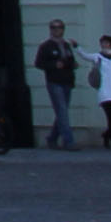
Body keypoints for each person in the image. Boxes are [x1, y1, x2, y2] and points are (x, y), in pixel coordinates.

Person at [34, 19, 80, 149]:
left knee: (61, 111)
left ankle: (52, 138)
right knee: (62, 111)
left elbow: (70, 61)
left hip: (67, 81)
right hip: (54, 81)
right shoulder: (45, 46)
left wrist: (73, 65)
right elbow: (38, 63)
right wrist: (54, 65)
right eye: (53, 27)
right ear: (50, 30)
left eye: (59, 27)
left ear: (63, 29)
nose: (56, 30)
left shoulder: (66, 45)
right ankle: (69, 141)